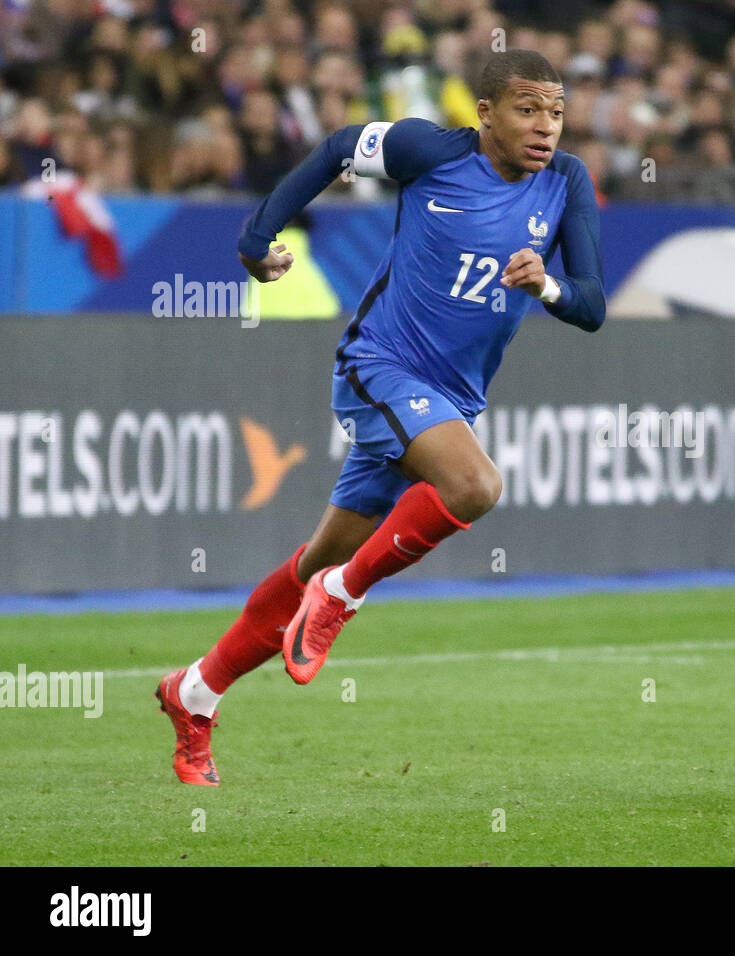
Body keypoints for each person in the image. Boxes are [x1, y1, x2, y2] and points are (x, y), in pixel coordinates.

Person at [155, 50, 605, 786]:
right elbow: (338, 147)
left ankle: (196, 691)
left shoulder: (566, 183)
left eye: (556, 111)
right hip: (377, 369)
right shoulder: (429, 151)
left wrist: (548, 284)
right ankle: (343, 597)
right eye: (528, 109)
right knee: (475, 487)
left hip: (448, 399)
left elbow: (591, 305)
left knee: (312, 561)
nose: (546, 127)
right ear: (485, 113)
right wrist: (255, 235)